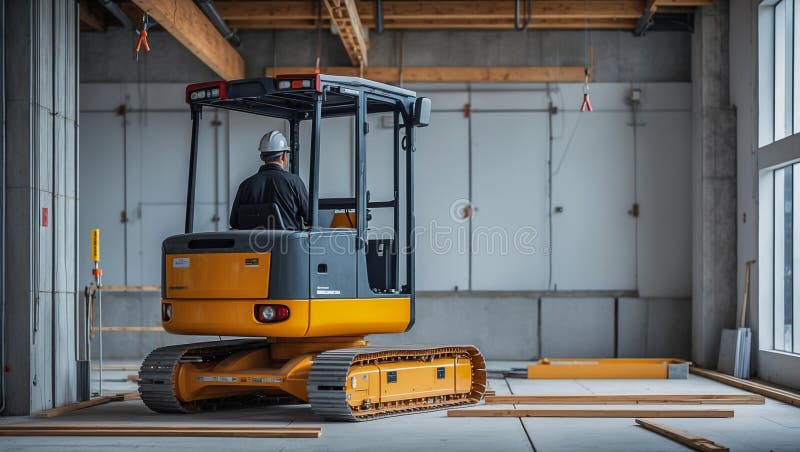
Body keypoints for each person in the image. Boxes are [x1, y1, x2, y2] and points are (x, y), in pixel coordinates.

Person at [229, 130, 309, 230]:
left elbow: (234, 222)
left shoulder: (245, 185)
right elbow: (310, 217)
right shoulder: (294, 182)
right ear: (284, 156)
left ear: (262, 156)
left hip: (252, 244)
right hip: (286, 244)